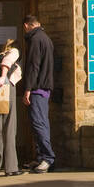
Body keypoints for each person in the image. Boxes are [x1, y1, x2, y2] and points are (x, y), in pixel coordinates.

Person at [21, 14, 56, 172]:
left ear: (27, 25)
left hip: (38, 88)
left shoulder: (35, 40)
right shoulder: (45, 38)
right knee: (42, 122)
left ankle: (47, 158)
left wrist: (28, 89)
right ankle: (42, 157)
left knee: (38, 123)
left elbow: (33, 66)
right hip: (45, 86)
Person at [0, 39, 23, 176]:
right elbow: (6, 63)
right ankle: (11, 167)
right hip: (6, 87)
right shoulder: (14, 52)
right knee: (9, 126)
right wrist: (3, 77)